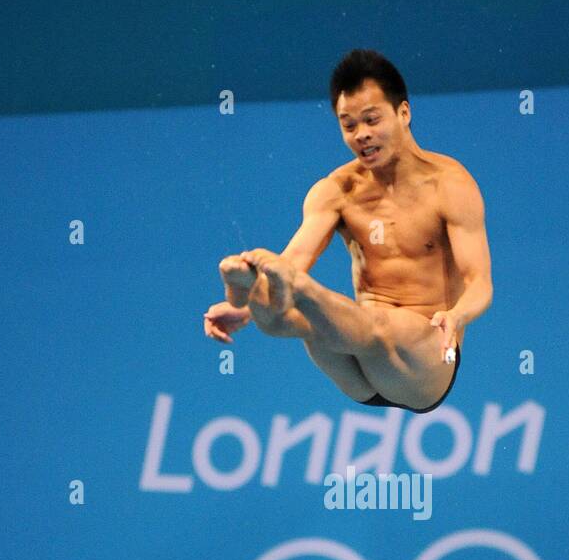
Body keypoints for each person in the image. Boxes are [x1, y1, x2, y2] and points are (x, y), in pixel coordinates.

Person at [203, 49, 492, 412]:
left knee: (368, 321)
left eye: (372, 120)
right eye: (349, 125)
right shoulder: (336, 191)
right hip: (358, 364)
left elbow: (480, 281)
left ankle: (303, 292)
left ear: (404, 113)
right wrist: (242, 310)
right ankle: (253, 298)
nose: (362, 135)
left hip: (427, 360)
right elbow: (292, 261)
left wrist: (457, 315)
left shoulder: (450, 185)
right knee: (291, 318)